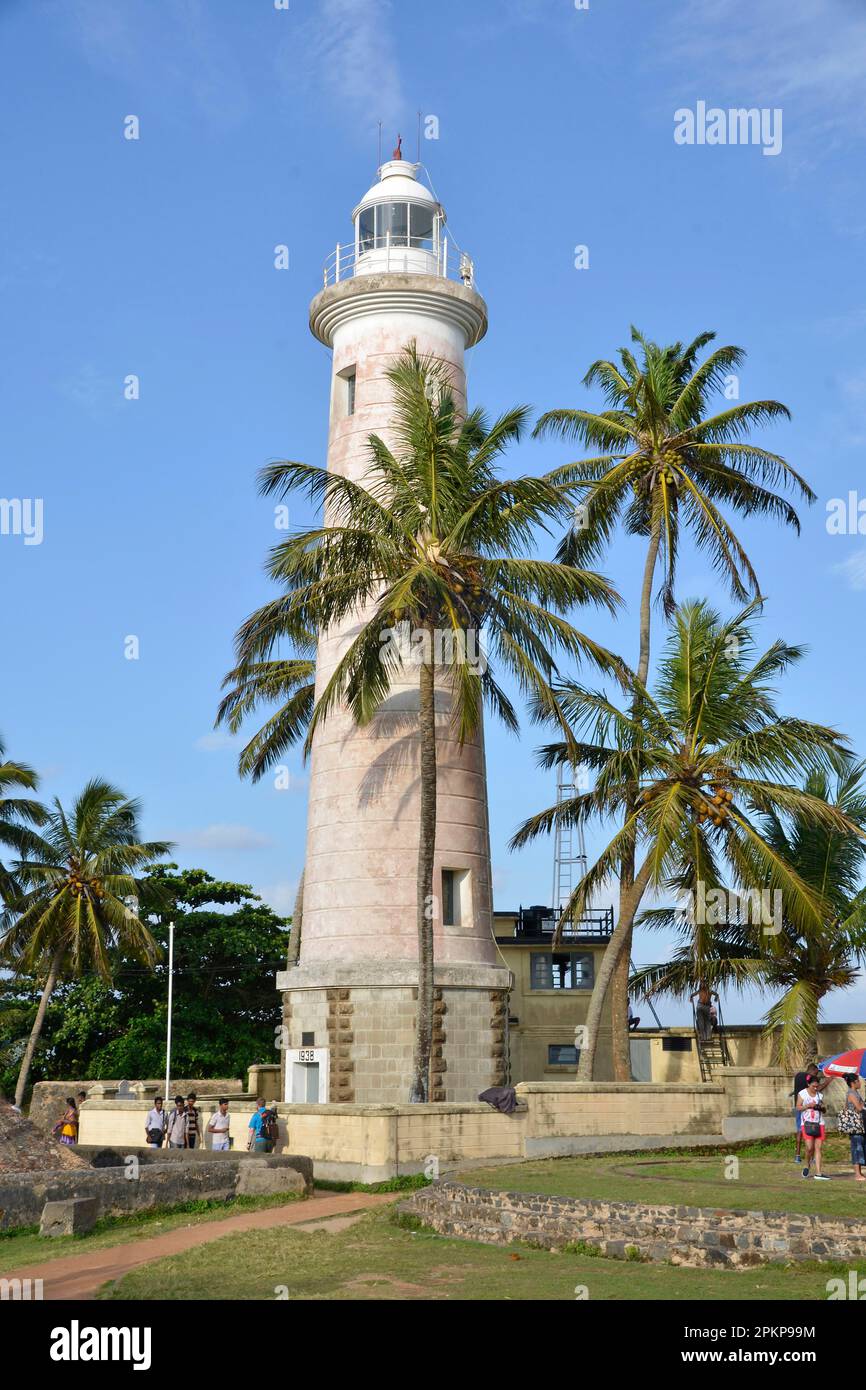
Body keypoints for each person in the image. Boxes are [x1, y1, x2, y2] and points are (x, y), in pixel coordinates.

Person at [797, 1073, 829, 1180]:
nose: (815, 1088)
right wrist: (807, 1106)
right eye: (813, 1086)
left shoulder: (820, 1095)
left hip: (819, 1124)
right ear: (808, 1084)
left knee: (818, 1148)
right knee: (809, 1148)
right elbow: (798, 1107)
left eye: (817, 1086)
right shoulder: (802, 1094)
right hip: (807, 1124)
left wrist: (821, 1108)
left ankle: (819, 1173)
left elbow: (824, 1110)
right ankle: (807, 1165)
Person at [792, 1060, 819, 1164]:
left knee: (799, 1131)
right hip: (805, 1109)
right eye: (815, 1074)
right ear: (812, 1071)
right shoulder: (807, 1078)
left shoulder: (798, 1075)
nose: (815, 1077)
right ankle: (811, 1157)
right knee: (810, 1131)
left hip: (798, 1107)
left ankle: (797, 1156)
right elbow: (816, 1088)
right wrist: (828, 1081)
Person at [842, 1073, 866, 1182]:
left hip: (860, 1125)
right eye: (858, 1081)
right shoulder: (851, 1093)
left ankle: (859, 1173)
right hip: (856, 1126)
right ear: (853, 1083)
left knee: (860, 1147)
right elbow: (859, 1108)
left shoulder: (855, 1093)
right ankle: (857, 1174)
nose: (860, 1083)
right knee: (856, 1148)